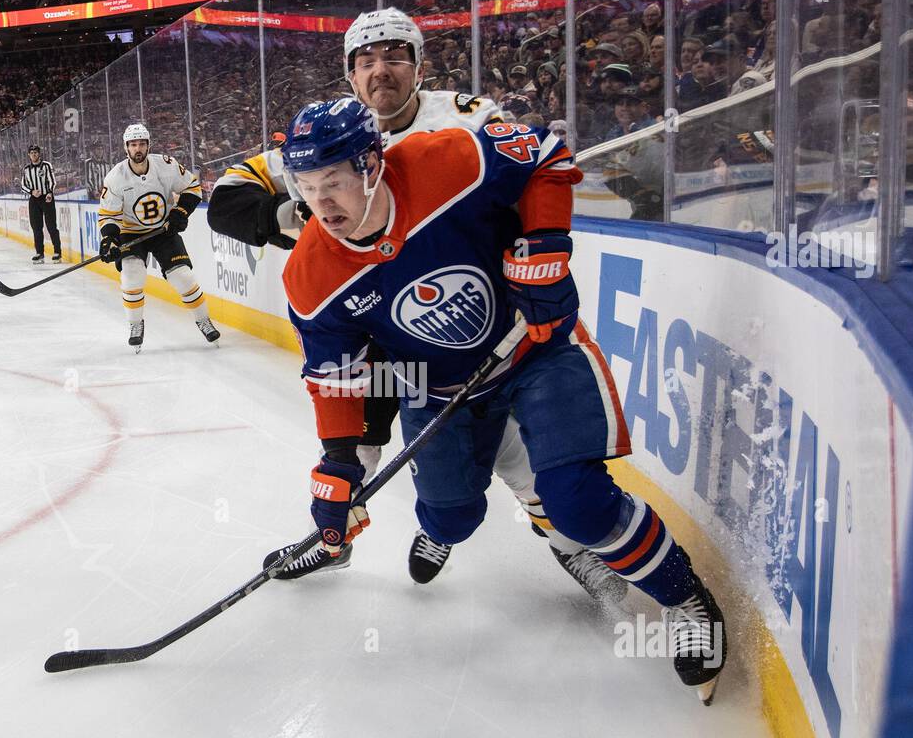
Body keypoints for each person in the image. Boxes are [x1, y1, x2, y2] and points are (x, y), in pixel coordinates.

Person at [280, 98, 727, 702]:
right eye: (306, 187)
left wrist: (545, 239)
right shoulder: (311, 273)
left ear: (371, 164)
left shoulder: (446, 160)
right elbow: (336, 377)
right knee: (454, 517)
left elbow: (545, 155)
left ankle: (685, 597)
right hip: (436, 392)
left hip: (534, 350)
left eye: (332, 183)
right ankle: (441, 527)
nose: (321, 205)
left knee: (579, 504)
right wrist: (336, 461)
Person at [210, 9, 623, 604]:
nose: (381, 70)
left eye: (395, 56)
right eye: (366, 60)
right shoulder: (323, 138)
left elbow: (530, 178)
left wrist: (540, 256)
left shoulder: (465, 118)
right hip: (374, 320)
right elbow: (227, 198)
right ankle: (336, 536)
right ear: (349, 76)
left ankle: (569, 544)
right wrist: (290, 218)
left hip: (466, 308)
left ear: (419, 65)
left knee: (515, 448)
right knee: (354, 445)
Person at [97, 123, 221, 351]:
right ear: (126, 148)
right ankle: (135, 324)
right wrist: (110, 240)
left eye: (142, 143)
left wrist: (180, 212)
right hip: (130, 232)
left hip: (163, 230)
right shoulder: (116, 177)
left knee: (183, 277)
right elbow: (108, 216)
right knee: (132, 276)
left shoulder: (165, 165)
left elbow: (193, 188)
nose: (138, 149)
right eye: (133, 144)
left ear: (148, 145)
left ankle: (203, 320)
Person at [21, 145, 62, 263]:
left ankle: (57, 252)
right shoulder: (26, 169)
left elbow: (52, 181)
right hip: (34, 200)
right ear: (29, 155)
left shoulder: (46, 165)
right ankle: (40, 253)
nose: (34, 154)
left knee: (51, 226)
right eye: (31, 153)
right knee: (36, 228)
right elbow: (23, 185)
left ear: (39, 154)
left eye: (35, 152)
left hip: (47, 198)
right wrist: (32, 191)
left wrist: (49, 193)